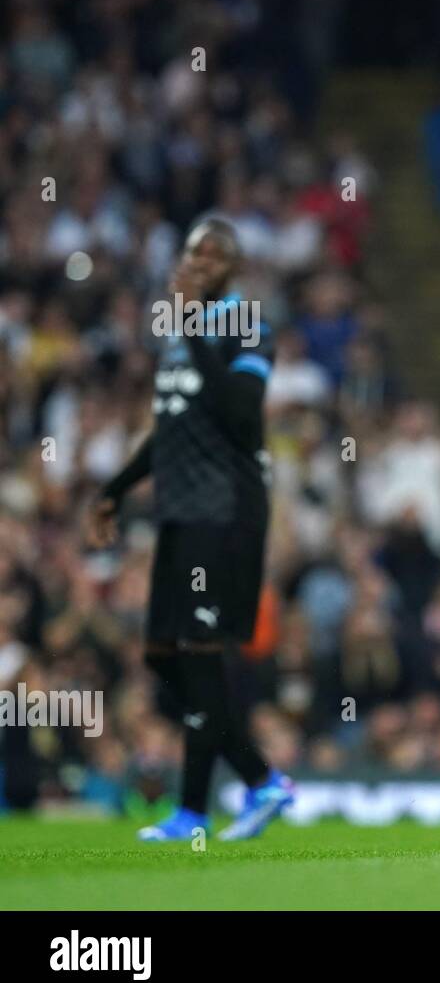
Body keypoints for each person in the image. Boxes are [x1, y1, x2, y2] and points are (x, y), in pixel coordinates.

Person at [88, 215, 295, 842]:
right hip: (181, 511)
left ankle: (195, 814)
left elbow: (239, 415)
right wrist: (114, 490)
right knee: (161, 657)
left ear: (232, 267)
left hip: (225, 511)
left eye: (212, 255)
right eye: (191, 253)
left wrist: (191, 327)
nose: (197, 263)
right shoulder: (182, 338)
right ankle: (261, 779)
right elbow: (172, 425)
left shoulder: (247, 327)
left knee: (202, 657)